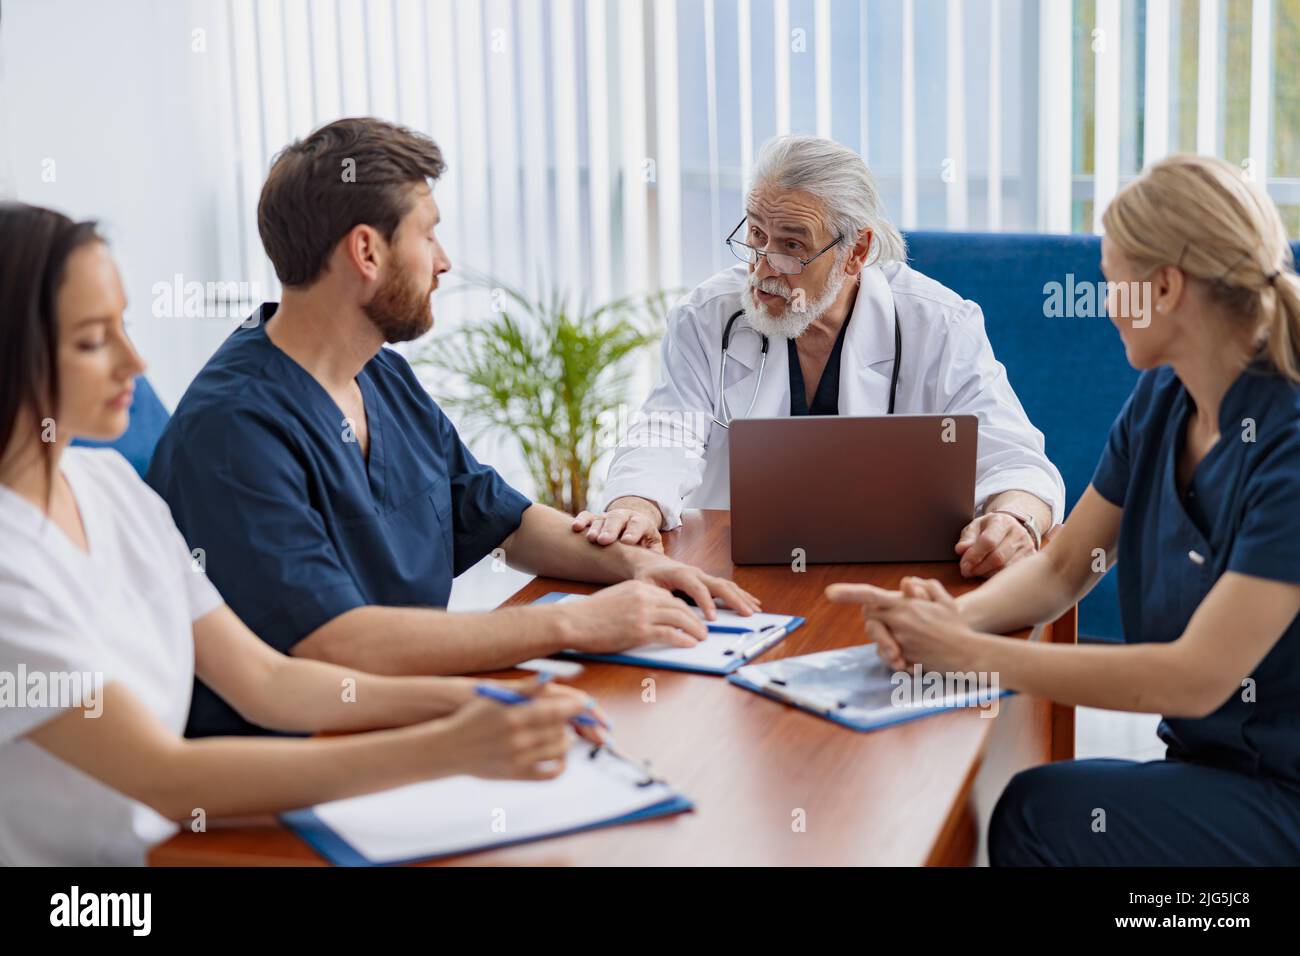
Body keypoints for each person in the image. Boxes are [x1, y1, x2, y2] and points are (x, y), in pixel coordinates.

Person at [0, 202, 607, 865]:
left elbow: (266, 680)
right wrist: (452, 747)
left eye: (125, 326)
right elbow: (164, 777)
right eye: (92, 340)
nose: (134, 362)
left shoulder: (110, 488)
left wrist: (480, 699)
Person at [145, 118, 759, 738]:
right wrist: (574, 622)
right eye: (429, 235)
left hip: (415, 720)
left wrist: (634, 569)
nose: (444, 263)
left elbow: (504, 520)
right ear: (367, 251)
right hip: (301, 765)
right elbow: (336, 643)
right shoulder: (233, 431)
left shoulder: (380, 376)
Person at [828, 154, 1300, 865]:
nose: (1106, 305)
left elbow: (1197, 679)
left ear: (1165, 288)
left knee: (1038, 816)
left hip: (1281, 792)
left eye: (1112, 283)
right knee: (1039, 807)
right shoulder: (1163, 402)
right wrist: (944, 623)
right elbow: (1062, 567)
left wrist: (976, 658)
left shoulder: (1287, 447)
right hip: (1215, 768)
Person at [576, 135, 1064, 578]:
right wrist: (635, 506)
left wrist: (1012, 518)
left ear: (856, 251)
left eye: (792, 245)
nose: (763, 267)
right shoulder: (707, 316)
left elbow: (1014, 456)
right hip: (734, 572)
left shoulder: (939, 323)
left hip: (902, 578)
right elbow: (665, 432)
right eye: (756, 236)